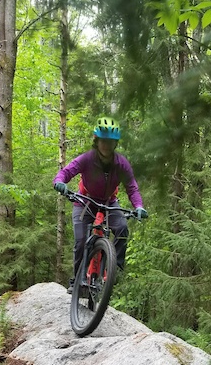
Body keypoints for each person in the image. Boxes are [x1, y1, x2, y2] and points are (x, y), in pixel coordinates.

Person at [53, 116, 148, 292]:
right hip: (85, 202)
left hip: (109, 202)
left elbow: (132, 188)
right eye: (103, 141)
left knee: (122, 228)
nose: (106, 145)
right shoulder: (87, 159)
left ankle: (114, 268)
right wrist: (60, 182)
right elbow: (66, 172)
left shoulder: (121, 164)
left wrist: (139, 206)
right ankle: (77, 280)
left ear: (115, 144)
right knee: (81, 241)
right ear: (96, 141)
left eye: (110, 142)